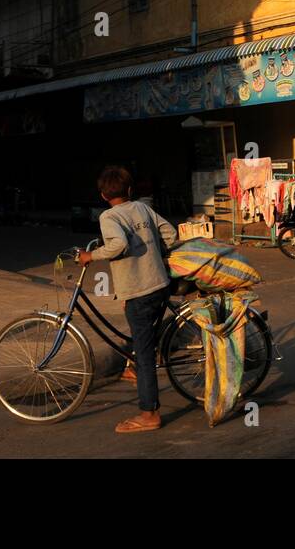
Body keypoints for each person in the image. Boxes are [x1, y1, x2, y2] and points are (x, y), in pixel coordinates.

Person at [78, 166, 178, 433]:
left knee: (145, 355)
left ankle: (149, 414)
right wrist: (154, 257)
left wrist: (91, 256)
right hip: (159, 285)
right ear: (130, 190)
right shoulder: (142, 208)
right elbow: (169, 233)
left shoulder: (109, 216)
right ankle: (133, 368)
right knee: (143, 339)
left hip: (140, 291)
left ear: (102, 195)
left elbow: (118, 244)